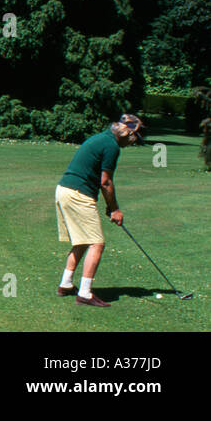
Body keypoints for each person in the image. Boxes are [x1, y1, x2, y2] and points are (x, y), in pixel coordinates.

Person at [54, 114, 144, 307]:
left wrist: (110, 206)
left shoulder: (100, 138)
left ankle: (66, 284)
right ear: (127, 132)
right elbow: (106, 182)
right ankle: (85, 294)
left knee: (82, 241)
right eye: (134, 137)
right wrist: (115, 209)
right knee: (96, 243)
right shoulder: (112, 146)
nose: (133, 142)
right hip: (78, 194)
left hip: (64, 190)